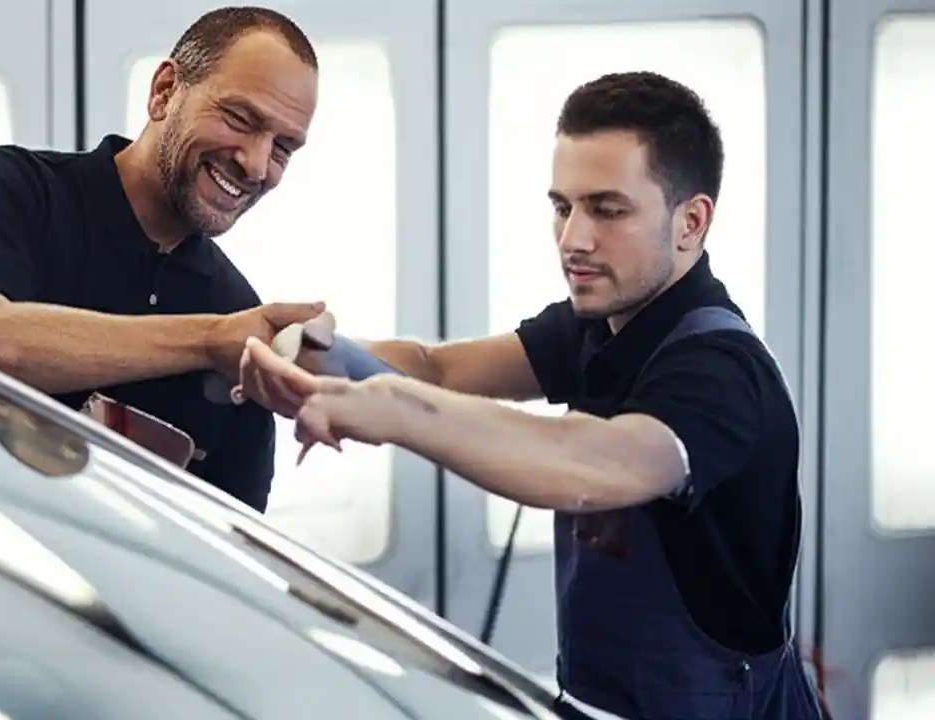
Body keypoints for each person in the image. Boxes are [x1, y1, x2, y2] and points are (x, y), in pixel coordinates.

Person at [239, 71, 823, 719]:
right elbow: (435, 368)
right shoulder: (594, 327)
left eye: (607, 209)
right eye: (562, 206)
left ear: (691, 222)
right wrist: (311, 352)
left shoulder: (722, 372)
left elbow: (589, 464)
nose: (573, 239)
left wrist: (394, 410)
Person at [0, 6, 325, 512]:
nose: (255, 163)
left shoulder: (238, 314)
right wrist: (208, 341)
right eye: (240, 119)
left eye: (283, 148)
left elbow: (232, 540)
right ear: (164, 91)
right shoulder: (8, 189)